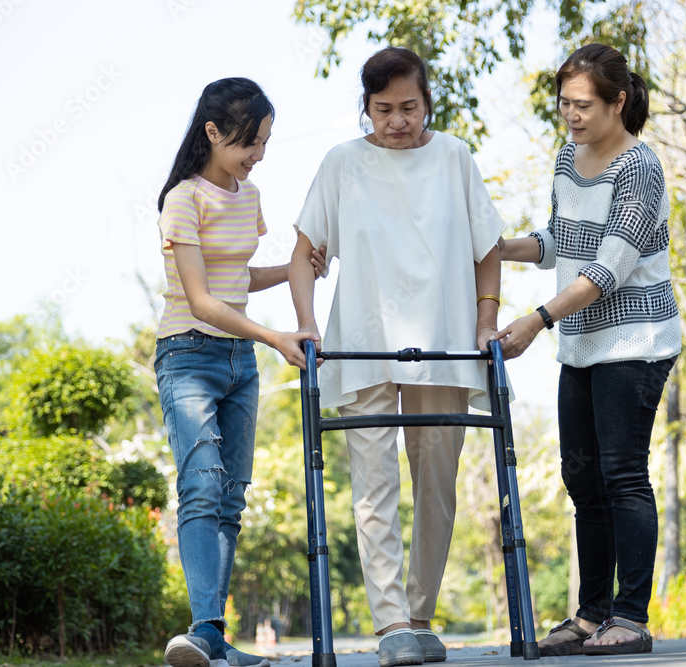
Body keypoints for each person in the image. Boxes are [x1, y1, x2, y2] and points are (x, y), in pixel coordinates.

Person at [287, 47, 505, 667]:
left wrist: (486, 322)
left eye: (409, 107)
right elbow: (304, 253)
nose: (397, 121)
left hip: (443, 341)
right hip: (361, 339)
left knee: (436, 480)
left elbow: (487, 247)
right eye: (383, 109)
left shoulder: (454, 156)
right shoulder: (342, 163)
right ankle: (391, 624)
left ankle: (420, 614)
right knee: (373, 484)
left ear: (427, 102)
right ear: (366, 107)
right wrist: (307, 323)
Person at [494, 43, 681, 656]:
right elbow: (560, 240)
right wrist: (499, 247)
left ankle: (630, 617)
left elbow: (609, 268)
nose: (571, 115)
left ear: (617, 101)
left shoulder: (639, 168)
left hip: (635, 341)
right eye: (564, 104)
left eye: (583, 105)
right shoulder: (566, 159)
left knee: (622, 474)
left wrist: (537, 320)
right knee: (581, 478)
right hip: (581, 344)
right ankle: (591, 614)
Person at [154, 77, 326, 667]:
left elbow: (237, 278)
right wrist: (275, 337)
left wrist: (298, 268)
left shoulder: (248, 197)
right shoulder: (183, 200)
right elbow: (203, 301)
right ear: (212, 132)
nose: (259, 154)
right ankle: (204, 629)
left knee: (231, 498)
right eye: (250, 142)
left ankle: (214, 639)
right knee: (202, 486)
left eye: (265, 142)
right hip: (188, 354)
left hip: (239, 362)